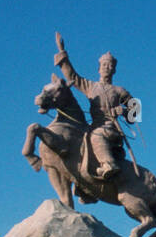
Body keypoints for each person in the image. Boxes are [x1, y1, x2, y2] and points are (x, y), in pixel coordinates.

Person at [53, 33, 134, 180]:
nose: (107, 68)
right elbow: (72, 77)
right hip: (93, 126)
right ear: (99, 68)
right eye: (104, 65)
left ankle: (109, 164)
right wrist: (61, 51)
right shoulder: (91, 86)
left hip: (110, 129)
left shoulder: (119, 91)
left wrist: (124, 111)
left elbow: (136, 112)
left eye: (110, 66)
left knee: (97, 136)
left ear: (114, 70)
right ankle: (83, 185)